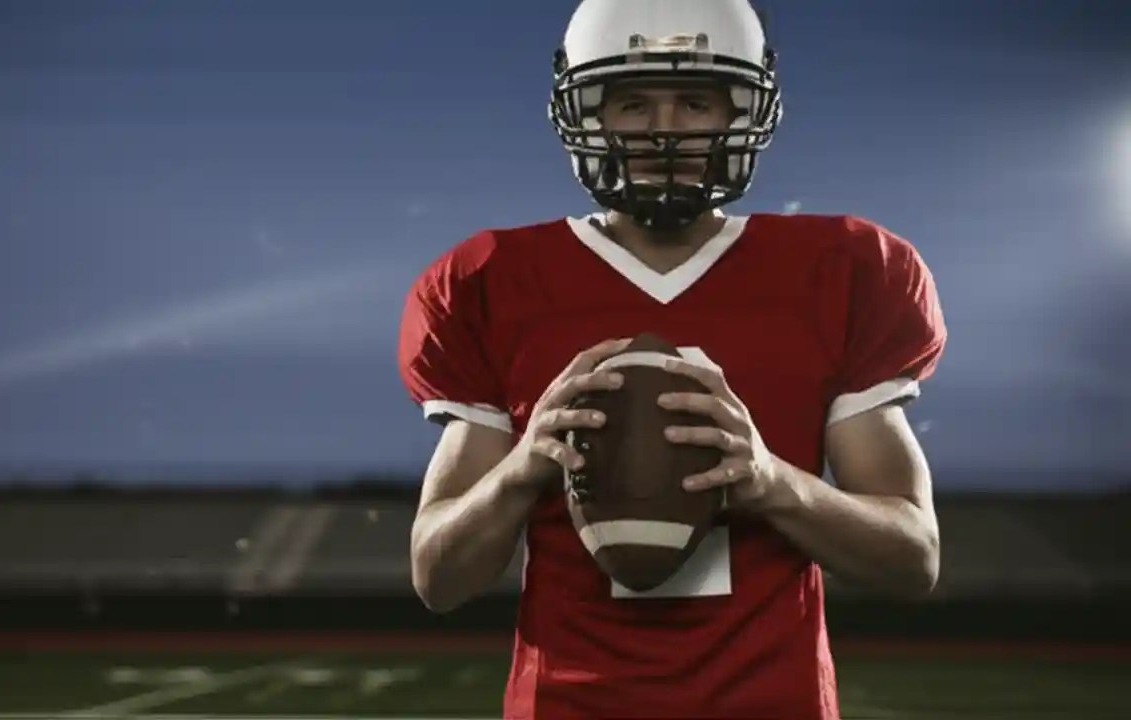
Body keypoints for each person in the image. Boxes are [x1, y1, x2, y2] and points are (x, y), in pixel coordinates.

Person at [396, 0, 947, 717]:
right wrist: (523, 467)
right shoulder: (489, 282)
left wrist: (769, 480)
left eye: (694, 101)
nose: (664, 129)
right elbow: (438, 580)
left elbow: (913, 559)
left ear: (744, 111)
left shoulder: (844, 270)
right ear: (588, 114)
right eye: (633, 103)